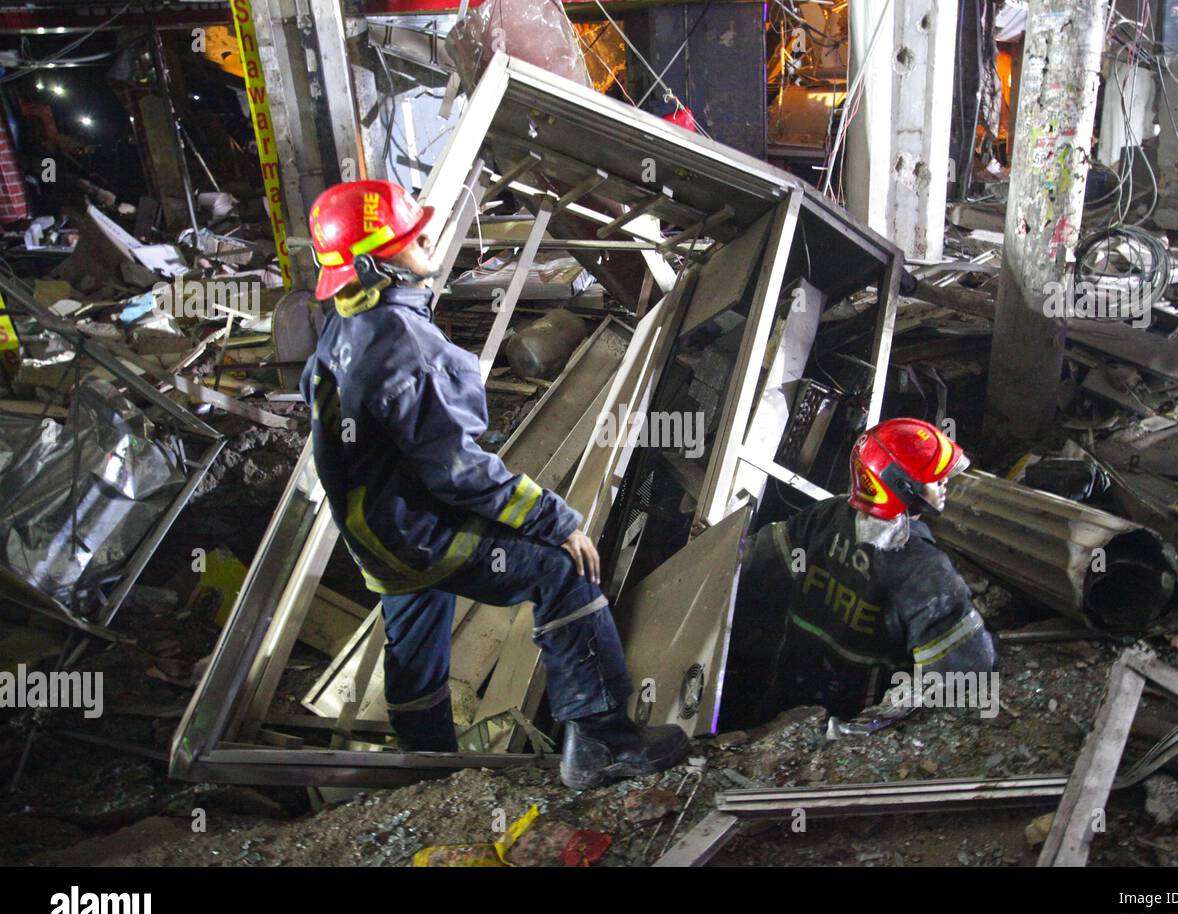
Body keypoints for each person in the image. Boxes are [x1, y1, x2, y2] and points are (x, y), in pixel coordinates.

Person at [299, 180, 688, 789]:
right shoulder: (404, 345)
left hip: (381, 536)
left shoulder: (342, 330)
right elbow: (458, 470)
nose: (425, 236)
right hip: (427, 532)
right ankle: (604, 747)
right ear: (377, 262)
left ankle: (426, 770)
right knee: (564, 572)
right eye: (408, 236)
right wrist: (556, 521)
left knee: (415, 633)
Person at [727, 418, 999, 727]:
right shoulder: (924, 570)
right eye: (935, 479)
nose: (945, 483)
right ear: (902, 486)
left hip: (784, 698)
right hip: (853, 719)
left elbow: (747, 567)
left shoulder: (827, 515)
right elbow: (969, 668)